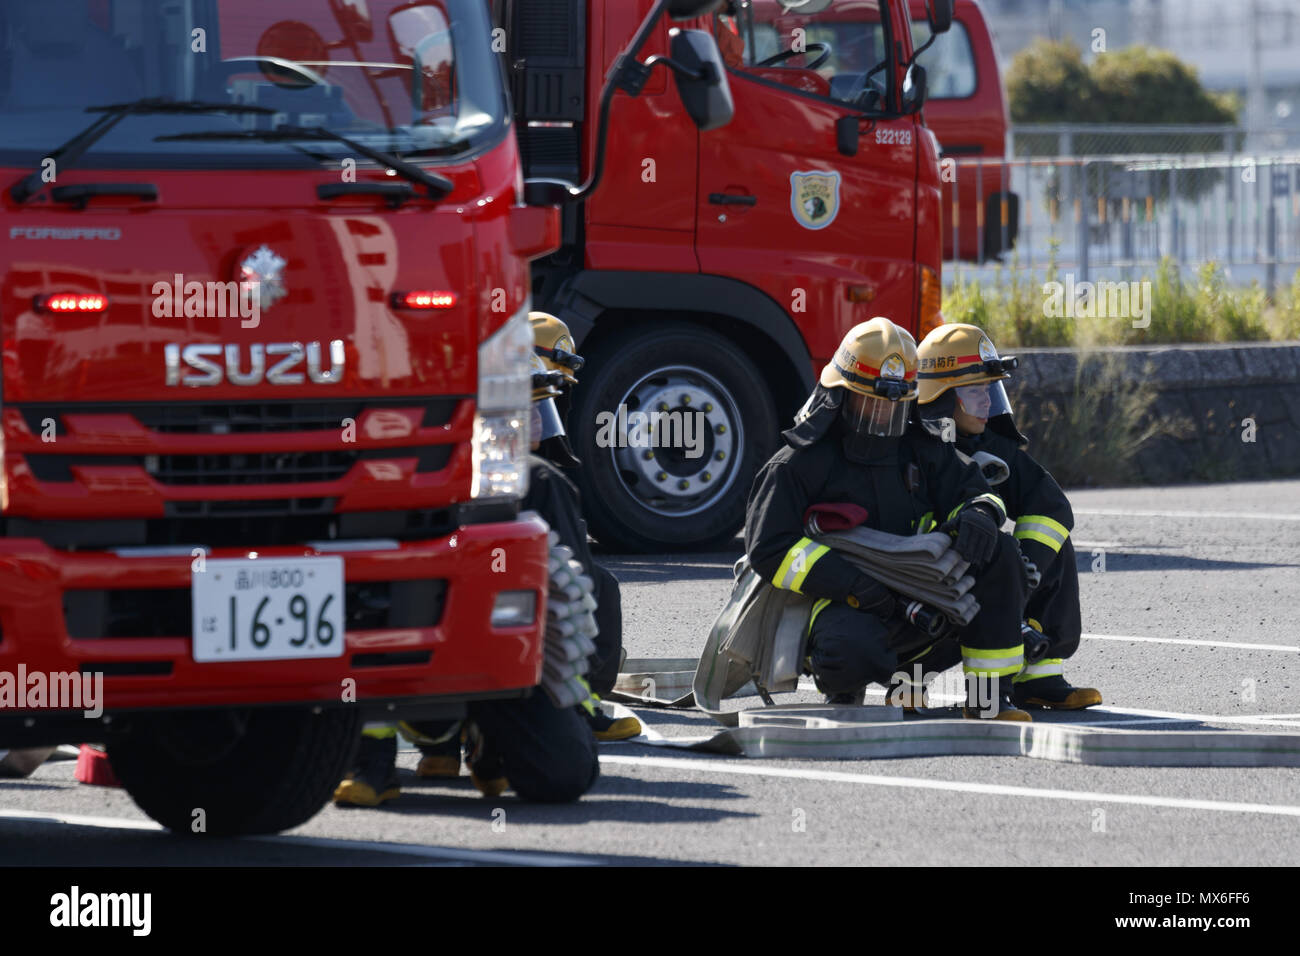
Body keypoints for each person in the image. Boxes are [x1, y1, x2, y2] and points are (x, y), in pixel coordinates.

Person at [744, 317, 1032, 721]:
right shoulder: (798, 465)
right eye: (874, 399)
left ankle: (989, 700)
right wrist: (854, 586)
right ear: (842, 395)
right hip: (844, 604)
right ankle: (844, 690)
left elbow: (975, 490)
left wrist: (981, 513)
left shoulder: (922, 450)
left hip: (924, 602)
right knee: (849, 648)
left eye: (897, 402)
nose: (885, 411)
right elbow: (769, 548)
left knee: (1001, 550)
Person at [916, 323, 1101, 710]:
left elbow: (1051, 506)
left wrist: (1023, 575)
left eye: (990, 390)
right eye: (975, 391)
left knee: (1054, 537)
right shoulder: (913, 452)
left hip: (982, 592)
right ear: (941, 397)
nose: (986, 402)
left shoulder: (992, 447)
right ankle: (911, 685)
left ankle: (1038, 676)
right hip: (921, 601)